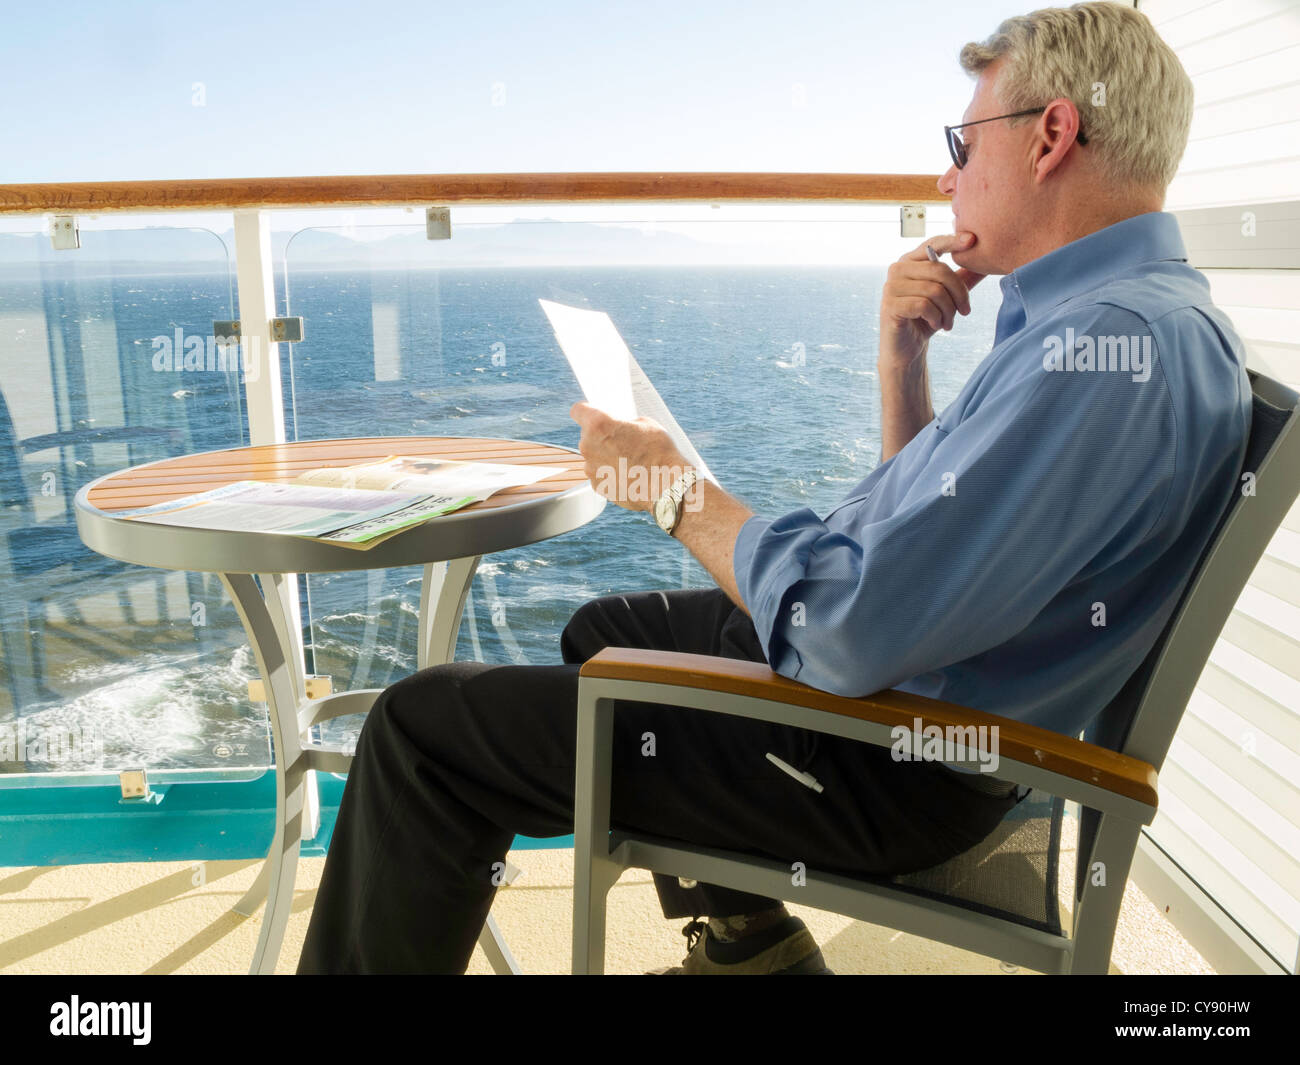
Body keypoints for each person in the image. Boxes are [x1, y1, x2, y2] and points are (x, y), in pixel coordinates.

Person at [296, 1, 1250, 974]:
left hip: (886, 761)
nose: (945, 175)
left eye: (963, 142)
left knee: (421, 731)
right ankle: (754, 945)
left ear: (1050, 136)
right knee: (607, 631)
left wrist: (672, 491)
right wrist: (900, 365)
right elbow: (933, 543)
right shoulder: (1117, 321)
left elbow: (851, 627)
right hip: (911, 706)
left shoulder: (1099, 355)